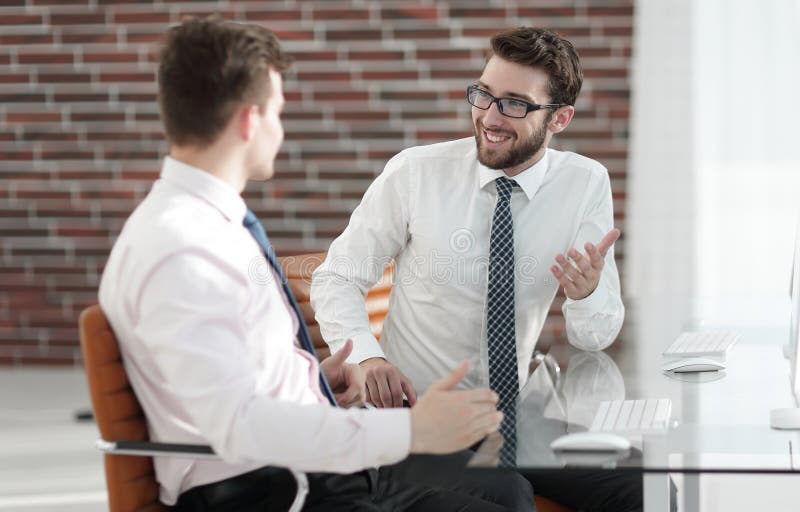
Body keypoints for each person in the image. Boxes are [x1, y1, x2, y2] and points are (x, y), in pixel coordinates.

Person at [98, 16, 534, 511]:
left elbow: (223, 378)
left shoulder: (209, 226)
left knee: (507, 491)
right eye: (278, 113)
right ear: (249, 120)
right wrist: (410, 430)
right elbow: (238, 425)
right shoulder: (183, 249)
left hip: (305, 469)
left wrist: (310, 382)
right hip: (272, 492)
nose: (280, 131)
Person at [311, 27, 637, 511]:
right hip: (421, 418)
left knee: (641, 482)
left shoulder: (584, 184)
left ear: (560, 118)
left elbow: (594, 339)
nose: (489, 116)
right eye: (483, 94)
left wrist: (587, 295)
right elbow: (336, 276)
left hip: (517, 416)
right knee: (509, 495)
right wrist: (366, 356)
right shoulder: (415, 173)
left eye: (514, 104)